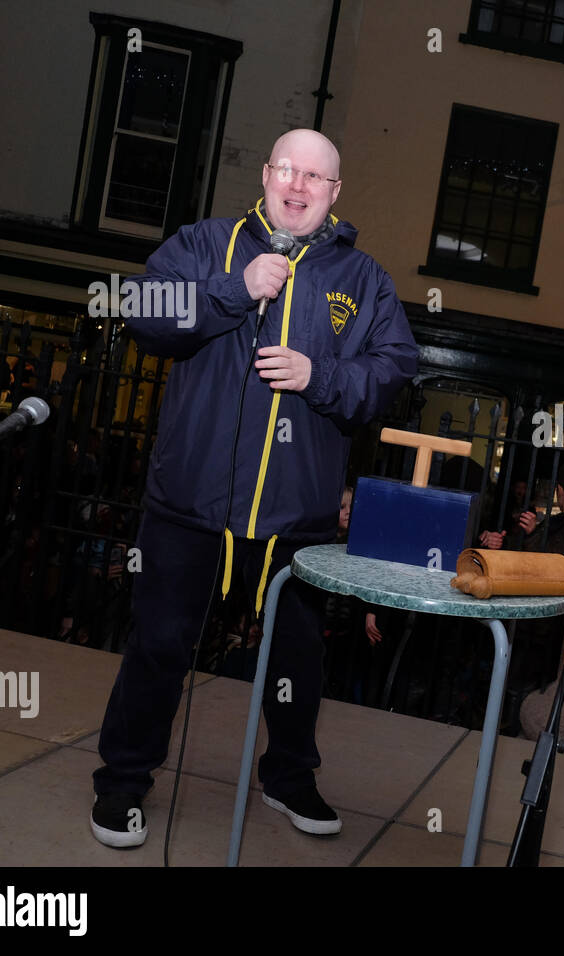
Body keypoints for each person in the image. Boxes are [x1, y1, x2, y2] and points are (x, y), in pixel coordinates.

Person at [90, 129, 417, 847]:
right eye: (287, 170)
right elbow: (146, 314)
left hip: (295, 518)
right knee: (159, 647)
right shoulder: (206, 243)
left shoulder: (362, 279)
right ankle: (122, 784)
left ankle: (289, 777)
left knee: (298, 660)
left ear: (334, 194)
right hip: (191, 504)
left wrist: (320, 376)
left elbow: (393, 372)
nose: (298, 185)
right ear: (266, 174)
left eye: (316, 177)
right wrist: (234, 290)